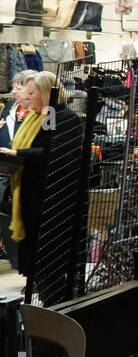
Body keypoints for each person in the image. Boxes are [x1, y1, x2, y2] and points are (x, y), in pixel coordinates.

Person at [0, 71, 83, 299]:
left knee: (48, 260)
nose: (26, 97)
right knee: (39, 261)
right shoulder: (38, 116)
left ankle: (54, 307)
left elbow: (51, 152)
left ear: (46, 93)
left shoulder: (55, 116)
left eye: (31, 92)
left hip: (51, 202)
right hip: (32, 199)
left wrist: (17, 153)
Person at [0, 72, 36, 266]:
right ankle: (18, 264)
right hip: (6, 172)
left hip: (27, 174)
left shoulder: (46, 112)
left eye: (18, 88)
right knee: (6, 218)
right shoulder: (8, 109)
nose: (13, 92)